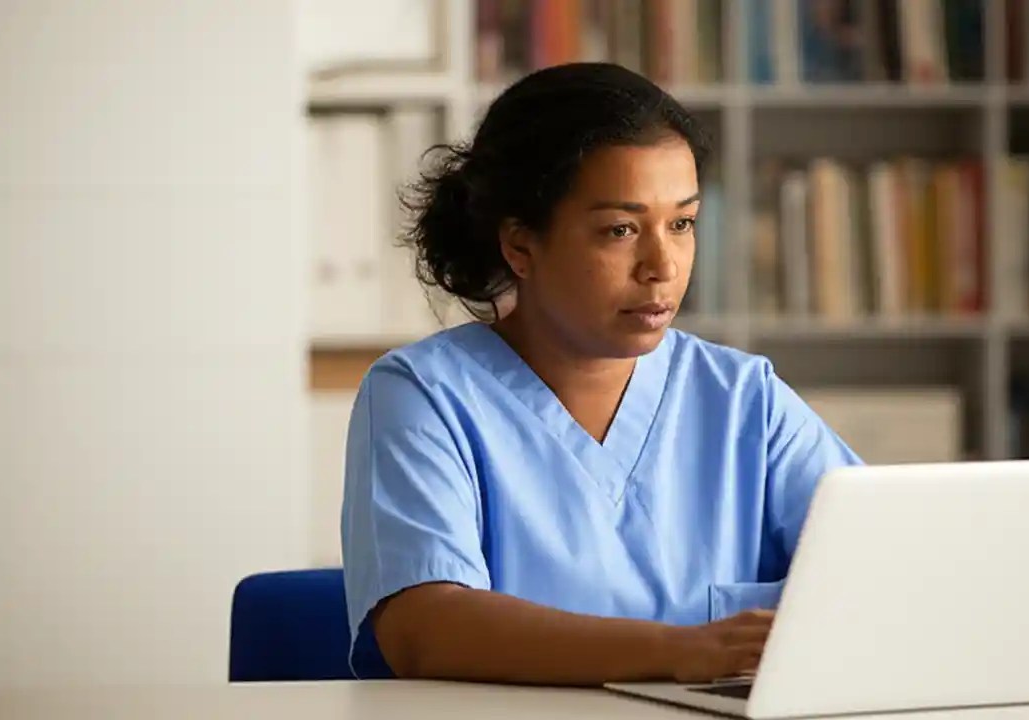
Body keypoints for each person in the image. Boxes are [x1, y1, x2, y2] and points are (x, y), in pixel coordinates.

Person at [340, 62, 863, 686]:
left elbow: (884, 560)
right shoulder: (423, 396)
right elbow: (425, 627)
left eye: (682, 224)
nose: (661, 266)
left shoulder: (745, 398)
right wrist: (679, 651)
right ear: (521, 246)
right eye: (620, 230)